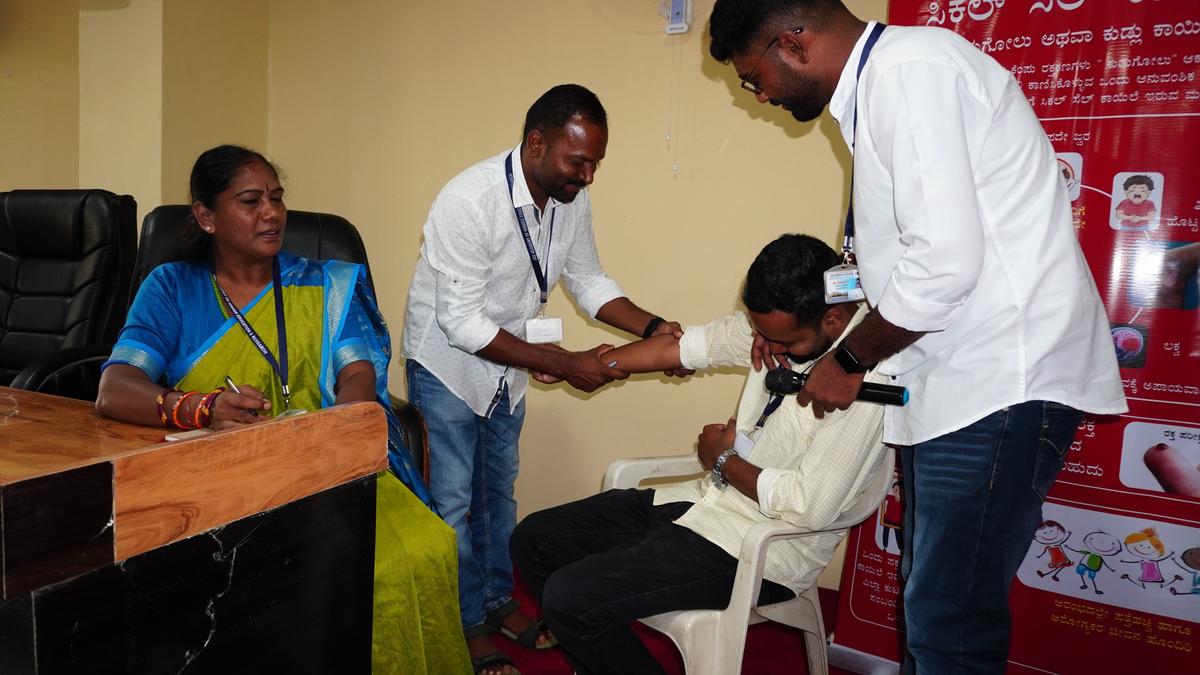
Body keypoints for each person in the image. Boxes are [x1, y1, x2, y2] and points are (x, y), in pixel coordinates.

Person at [707, 2, 1127, 673]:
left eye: (755, 77)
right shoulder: (883, 87)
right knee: (936, 605)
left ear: (792, 42)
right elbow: (897, 267)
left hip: (997, 382)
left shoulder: (910, 72)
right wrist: (806, 336)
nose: (759, 97)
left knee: (947, 619)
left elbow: (944, 264)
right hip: (963, 384)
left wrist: (845, 359)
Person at [95, 145, 471, 674]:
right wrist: (202, 407)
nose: (271, 213)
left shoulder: (324, 284)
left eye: (276, 198)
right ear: (205, 216)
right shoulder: (172, 287)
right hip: (220, 476)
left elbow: (357, 373)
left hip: (328, 467)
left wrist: (329, 435)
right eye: (251, 201)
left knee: (421, 549)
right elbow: (116, 387)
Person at [401, 83, 684, 675]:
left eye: (595, 164)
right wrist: (565, 363)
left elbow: (589, 281)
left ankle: (498, 600)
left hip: (512, 366)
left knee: (497, 493)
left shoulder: (569, 200)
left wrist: (655, 327)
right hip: (450, 364)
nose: (588, 176)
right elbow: (462, 324)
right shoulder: (469, 200)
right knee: (452, 501)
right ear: (536, 143)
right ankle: (467, 622)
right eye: (578, 161)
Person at [510, 234, 889, 675]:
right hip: (700, 505)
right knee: (534, 540)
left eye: (782, 341)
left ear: (834, 318)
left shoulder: (866, 384)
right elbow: (681, 348)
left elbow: (809, 506)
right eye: (759, 331)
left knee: (569, 598)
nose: (766, 347)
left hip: (760, 547)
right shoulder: (777, 330)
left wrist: (724, 461)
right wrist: (585, 365)